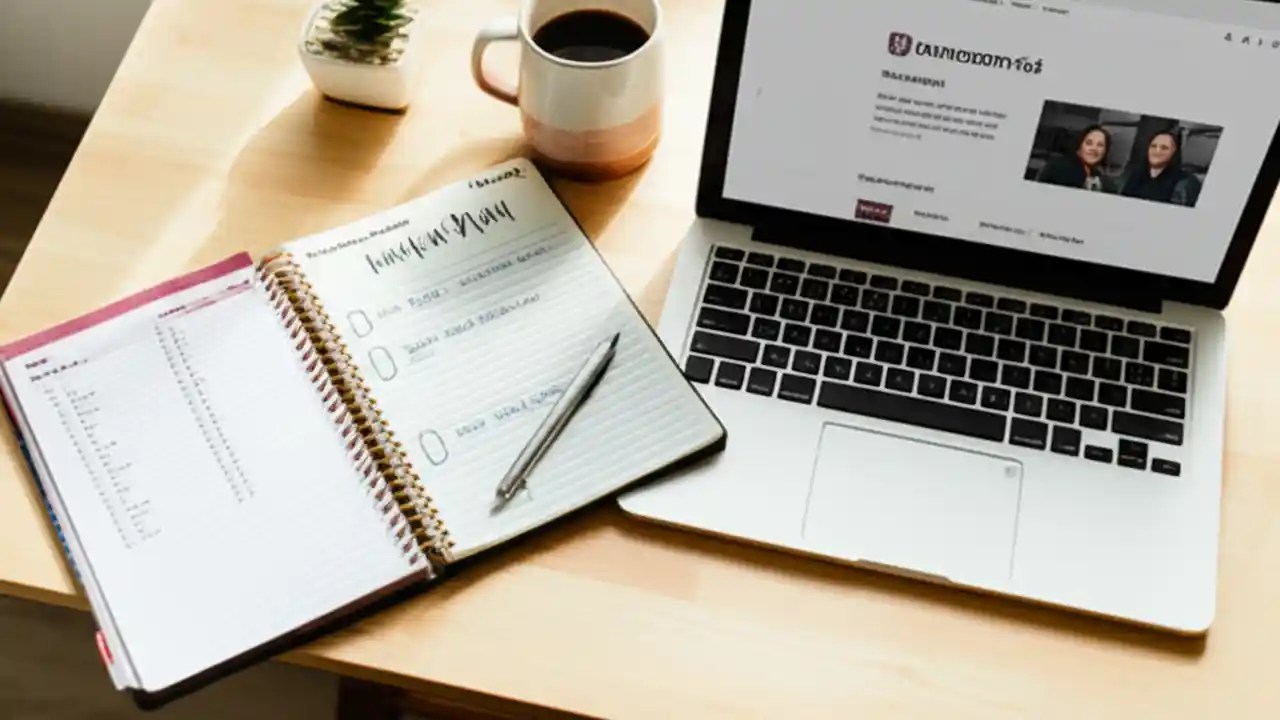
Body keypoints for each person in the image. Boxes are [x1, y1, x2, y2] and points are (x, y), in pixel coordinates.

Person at [1119, 129, 1203, 207]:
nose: (1157, 151)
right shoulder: (1136, 175)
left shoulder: (1185, 182)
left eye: (1164, 148)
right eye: (1153, 146)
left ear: (1174, 153)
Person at [1035, 125, 1114, 193]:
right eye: (1089, 143)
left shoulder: (1097, 176)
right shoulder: (1060, 168)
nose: (1094, 148)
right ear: (1080, 146)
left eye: (1100, 145)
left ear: (1105, 151)